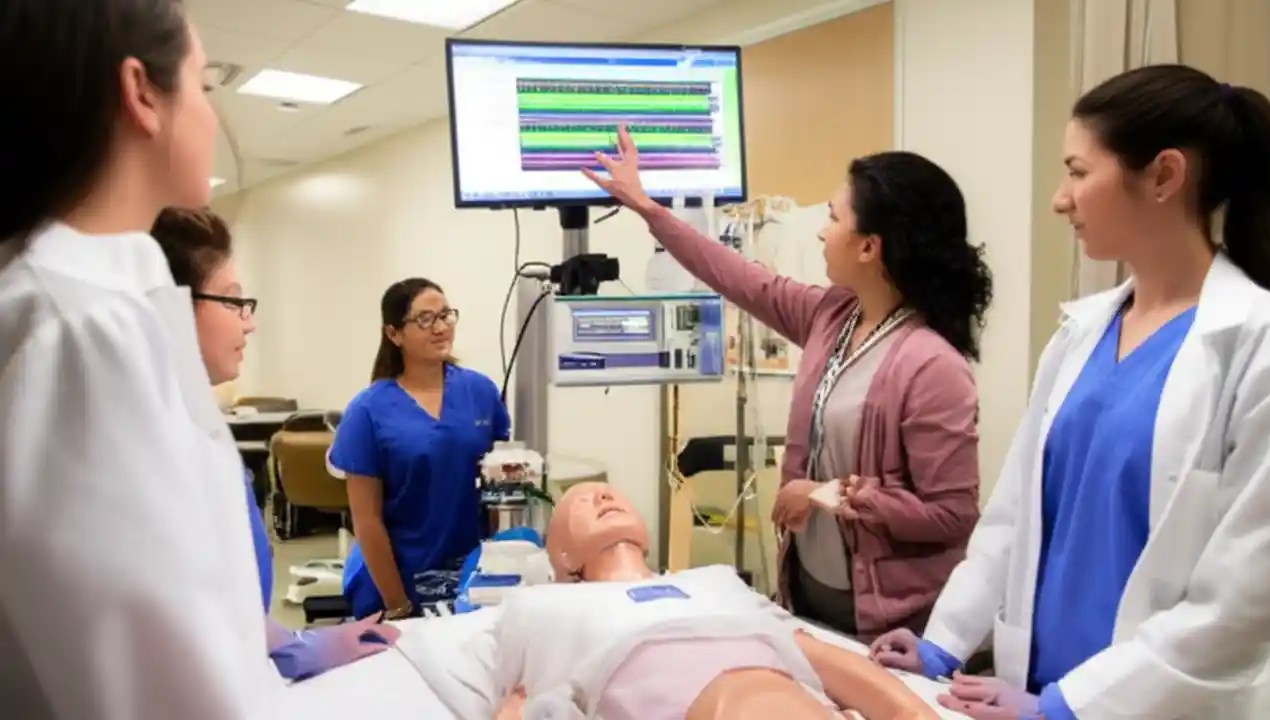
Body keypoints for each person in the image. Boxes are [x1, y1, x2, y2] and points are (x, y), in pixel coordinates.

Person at [870, 65, 1270, 720]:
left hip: (1157, 705)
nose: (1061, 199)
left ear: (1164, 176)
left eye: (1078, 172)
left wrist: (1068, 707)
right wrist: (942, 645)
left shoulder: (1261, 346)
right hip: (1031, 688)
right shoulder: (1081, 334)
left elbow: (1243, 599)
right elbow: (1012, 518)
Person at [584, 128, 992, 639]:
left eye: (833, 217)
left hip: (891, 624)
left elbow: (952, 516)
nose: (822, 232)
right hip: (807, 597)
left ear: (870, 246)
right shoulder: (833, 316)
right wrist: (649, 209)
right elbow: (736, 275)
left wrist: (831, 493)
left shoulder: (933, 365)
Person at [0, 1, 280, 717]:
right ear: (141, 92)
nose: (213, 117)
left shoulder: (96, 296)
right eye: (204, 82)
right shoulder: (83, 331)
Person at [434, 482, 942, 720]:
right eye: (581, 502)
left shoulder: (718, 583)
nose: (603, 497)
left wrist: (916, 718)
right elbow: (520, 706)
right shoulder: (545, 605)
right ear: (560, 555)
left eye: (610, 492)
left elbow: (818, 655)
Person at [150, 207, 399, 681]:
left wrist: (295, 645)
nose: (249, 323)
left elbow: (224, 614)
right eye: (233, 302)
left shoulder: (197, 430)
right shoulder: (149, 453)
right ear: (171, 307)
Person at [327, 278, 511, 619]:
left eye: (446, 316)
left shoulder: (480, 392)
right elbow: (367, 520)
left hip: (472, 574)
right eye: (425, 319)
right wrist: (398, 604)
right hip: (396, 579)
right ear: (394, 334)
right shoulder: (367, 412)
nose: (440, 327)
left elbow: (503, 481)